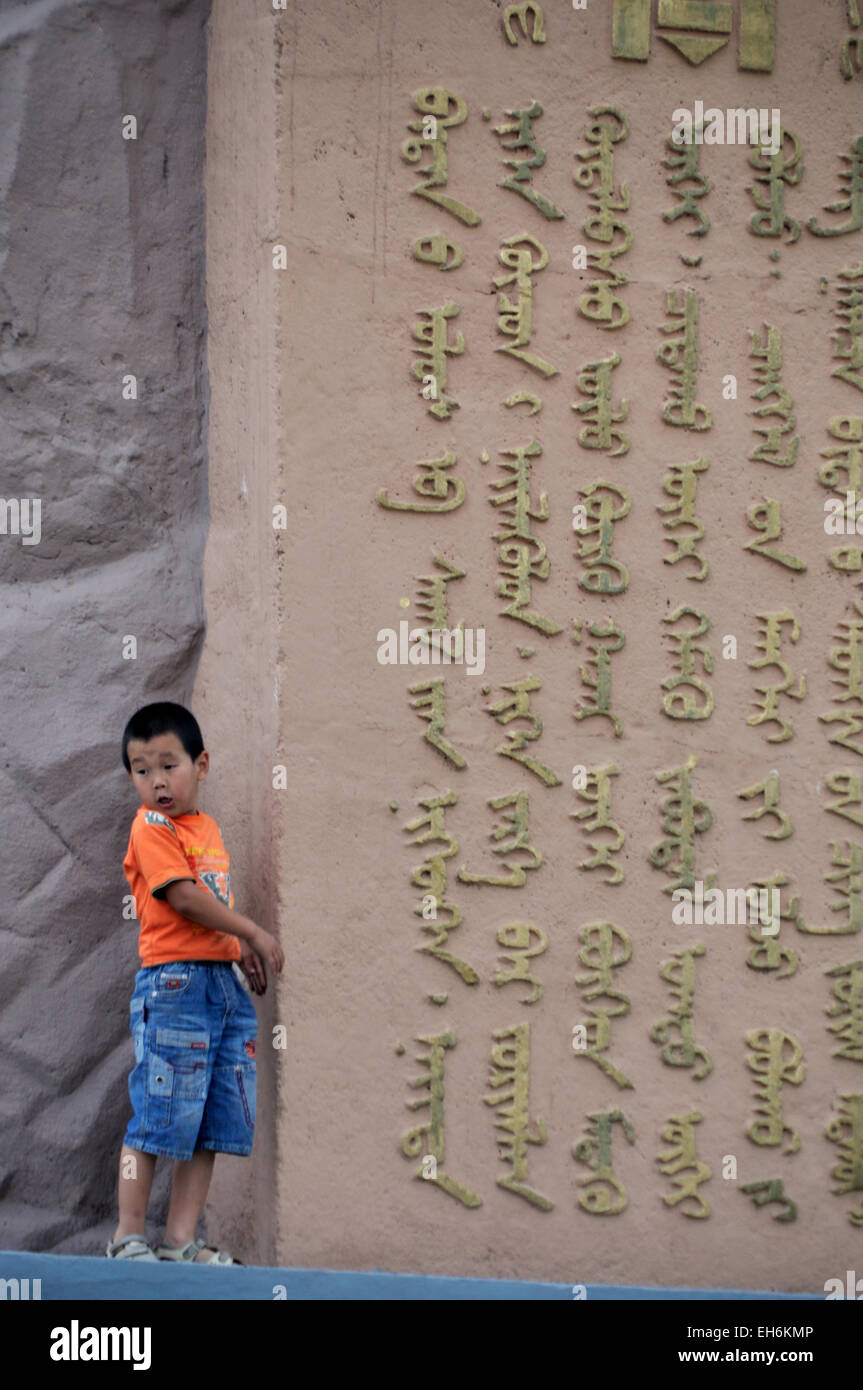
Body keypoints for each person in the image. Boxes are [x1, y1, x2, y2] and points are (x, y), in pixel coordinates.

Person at [107, 701, 284, 1264]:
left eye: (169, 765)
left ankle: (181, 1240)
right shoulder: (150, 827)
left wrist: (235, 950)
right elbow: (183, 899)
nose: (157, 781)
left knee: (212, 1118)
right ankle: (127, 1236)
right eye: (142, 770)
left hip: (221, 989)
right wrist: (251, 932)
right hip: (175, 988)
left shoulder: (206, 829)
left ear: (200, 765)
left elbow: (210, 907)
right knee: (158, 1115)